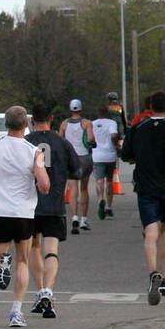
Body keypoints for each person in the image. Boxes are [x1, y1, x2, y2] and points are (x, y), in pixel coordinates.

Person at [0, 105, 50, 327]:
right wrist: (40, 186)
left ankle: (1, 265)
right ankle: (16, 312)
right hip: (23, 213)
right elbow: (44, 184)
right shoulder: (34, 151)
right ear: (26, 125)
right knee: (23, 261)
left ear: (6, 125)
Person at [124, 90, 165, 305]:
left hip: (145, 185)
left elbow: (126, 154)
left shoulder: (138, 127)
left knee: (149, 230)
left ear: (150, 106)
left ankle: (153, 272)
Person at [25, 104, 77, 319]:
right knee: (51, 250)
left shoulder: (26, 143)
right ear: (52, 119)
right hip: (54, 203)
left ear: (31, 121)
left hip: (30, 205)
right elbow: (78, 169)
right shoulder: (62, 143)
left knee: (33, 247)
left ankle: (39, 292)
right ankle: (48, 290)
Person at [58, 99, 93, 233]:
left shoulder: (64, 124)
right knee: (84, 188)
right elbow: (90, 139)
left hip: (71, 158)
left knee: (73, 189)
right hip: (84, 157)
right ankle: (84, 219)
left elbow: (60, 140)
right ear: (81, 109)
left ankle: (74, 217)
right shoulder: (86, 123)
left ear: (70, 109)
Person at [90, 104, 120, 220]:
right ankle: (108, 206)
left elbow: (90, 139)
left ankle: (100, 198)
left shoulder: (92, 124)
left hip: (97, 155)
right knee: (110, 181)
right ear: (107, 113)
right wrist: (116, 145)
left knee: (99, 180)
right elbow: (113, 135)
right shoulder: (112, 123)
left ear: (98, 113)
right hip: (110, 155)